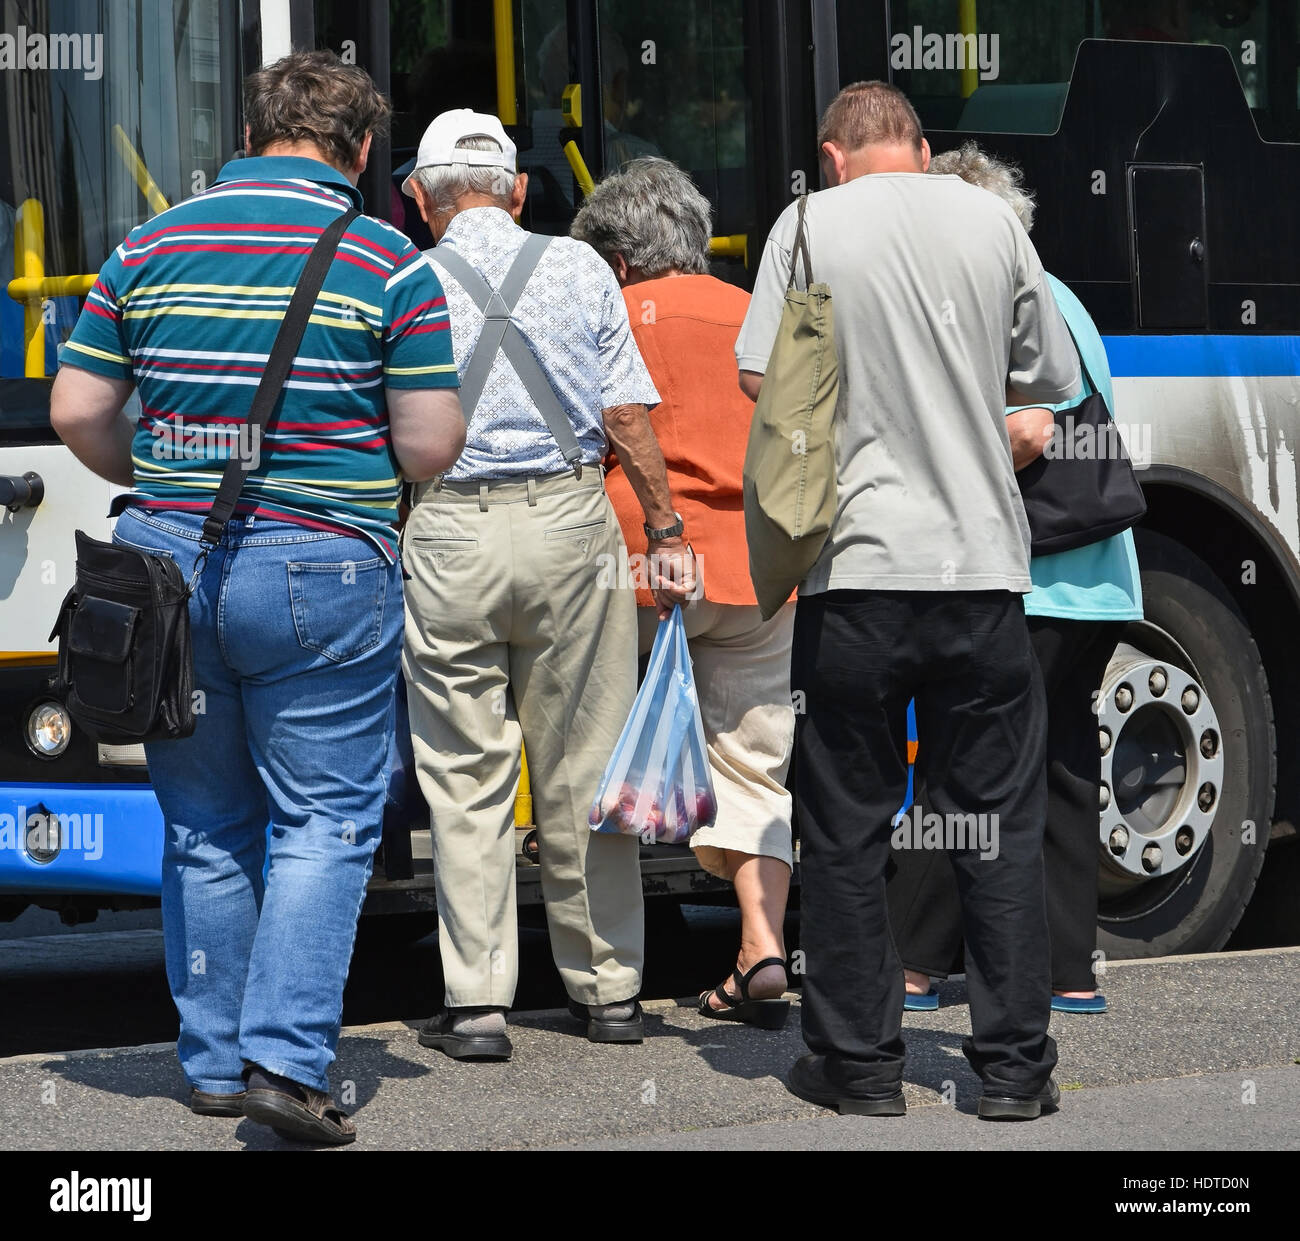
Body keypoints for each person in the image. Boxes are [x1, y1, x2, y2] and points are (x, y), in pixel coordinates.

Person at [50, 50, 465, 1145]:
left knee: (204, 826)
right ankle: (288, 1056)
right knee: (324, 819)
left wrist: (173, 469)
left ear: (252, 132)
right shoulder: (390, 261)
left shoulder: (150, 243)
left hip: (163, 566)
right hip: (323, 567)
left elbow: (78, 409)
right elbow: (428, 445)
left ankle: (215, 1059)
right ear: (363, 148)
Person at [736, 81, 1081, 1120]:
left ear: (832, 156)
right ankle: (1015, 1071)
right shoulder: (989, 219)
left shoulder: (806, 224)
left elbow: (762, 377)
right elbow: (1044, 380)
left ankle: (859, 1066)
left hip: (856, 574)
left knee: (845, 824)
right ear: (921, 148)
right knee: (995, 823)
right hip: (981, 573)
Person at [400, 110, 694, 1060]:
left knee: (465, 774)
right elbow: (627, 418)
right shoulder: (577, 268)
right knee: (586, 760)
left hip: (448, 528)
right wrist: (663, 525)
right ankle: (607, 991)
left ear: (419, 197)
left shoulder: (400, 279)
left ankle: (478, 1005)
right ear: (520, 190)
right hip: (573, 527)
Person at [888, 141, 1144, 1016]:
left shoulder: (1000, 294)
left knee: (966, 762)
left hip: (1030, 581)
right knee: (1064, 766)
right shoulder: (1066, 294)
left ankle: (911, 965)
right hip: (1101, 583)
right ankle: (1070, 970)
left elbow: (1027, 431)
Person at [572, 158, 797, 1028]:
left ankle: (609, 974)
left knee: (605, 755)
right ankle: (762, 942)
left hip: (629, 566)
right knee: (754, 760)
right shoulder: (754, 315)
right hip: (754, 569)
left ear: (619, 262)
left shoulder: (606, 313)